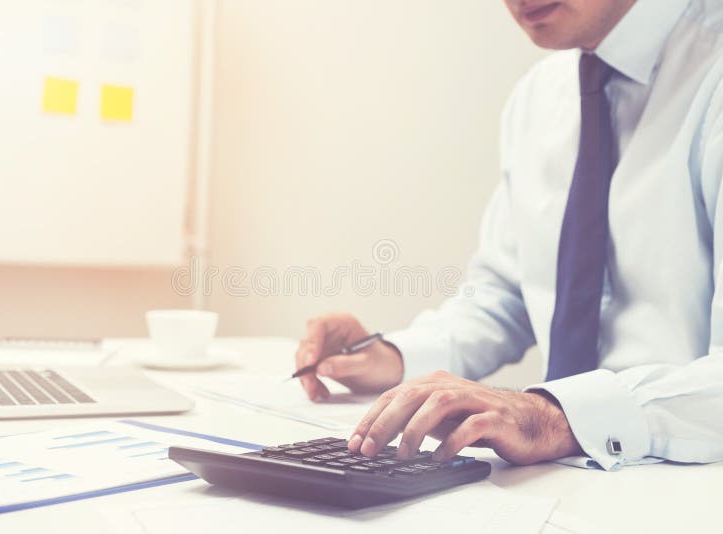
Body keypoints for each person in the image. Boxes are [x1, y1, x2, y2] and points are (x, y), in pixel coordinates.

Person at [294, 0, 723, 470]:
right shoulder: (539, 95)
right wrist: (393, 357)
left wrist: (554, 416)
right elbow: (505, 294)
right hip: (569, 480)